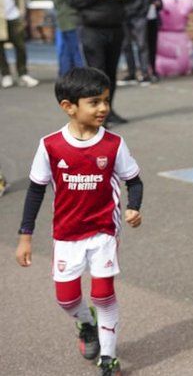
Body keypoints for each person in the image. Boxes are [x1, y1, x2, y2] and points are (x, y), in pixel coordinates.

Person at [15, 66, 144, 376]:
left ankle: (108, 357)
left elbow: (134, 181)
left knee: (102, 294)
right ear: (68, 107)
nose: (103, 108)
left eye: (106, 100)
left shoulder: (113, 144)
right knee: (66, 299)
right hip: (67, 235)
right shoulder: (50, 146)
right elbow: (35, 191)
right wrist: (25, 235)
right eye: (94, 102)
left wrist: (133, 207)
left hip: (103, 232)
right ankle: (87, 325)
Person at [66, 0, 130, 125]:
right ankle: (95, 115)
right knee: (97, 75)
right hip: (91, 30)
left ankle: (109, 111)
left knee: (111, 73)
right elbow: (71, 0)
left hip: (115, 28)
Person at [114, 0, 156, 85]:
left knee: (142, 44)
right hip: (123, 14)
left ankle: (145, 73)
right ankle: (131, 73)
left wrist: (143, 11)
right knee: (126, 45)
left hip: (138, 14)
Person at [0, 0, 38, 88]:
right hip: (0, 18)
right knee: (0, 49)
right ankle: (6, 75)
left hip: (14, 15)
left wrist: (22, 13)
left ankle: (23, 73)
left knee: (20, 46)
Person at [50, 0, 85, 76]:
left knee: (68, 49)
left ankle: (66, 74)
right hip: (68, 20)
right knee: (74, 49)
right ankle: (78, 74)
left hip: (66, 20)